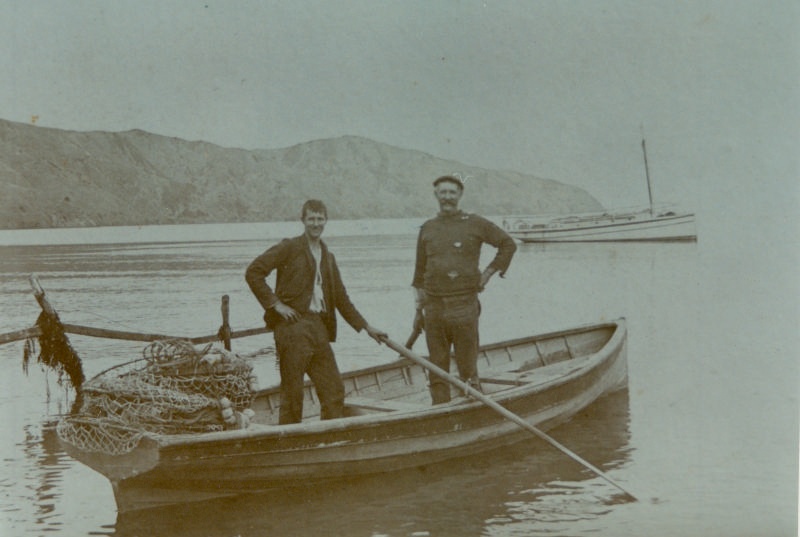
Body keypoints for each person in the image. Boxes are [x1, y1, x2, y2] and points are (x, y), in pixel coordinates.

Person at [246, 199, 386, 424]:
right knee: (293, 396)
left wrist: (366, 327)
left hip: (318, 327)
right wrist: (276, 304)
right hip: (292, 328)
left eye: (320, 219)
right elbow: (254, 272)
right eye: (311, 218)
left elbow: (341, 299)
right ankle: (290, 447)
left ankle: (329, 441)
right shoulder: (289, 247)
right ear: (303, 220)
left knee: (334, 391)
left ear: (326, 221)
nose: (316, 223)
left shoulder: (328, 258)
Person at [412, 175, 516, 404]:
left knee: (467, 368)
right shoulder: (428, 228)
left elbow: (508, 244)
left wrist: (487, 274)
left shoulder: (475, 223)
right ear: (436, 196)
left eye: (452, 192)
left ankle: (473, 410)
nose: (447, 197)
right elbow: (419, 273)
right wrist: (419, 311)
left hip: (464, 307)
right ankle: (439, 412)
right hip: (434, 309)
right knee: (437, 368)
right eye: (443, 192)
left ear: (460, 196)